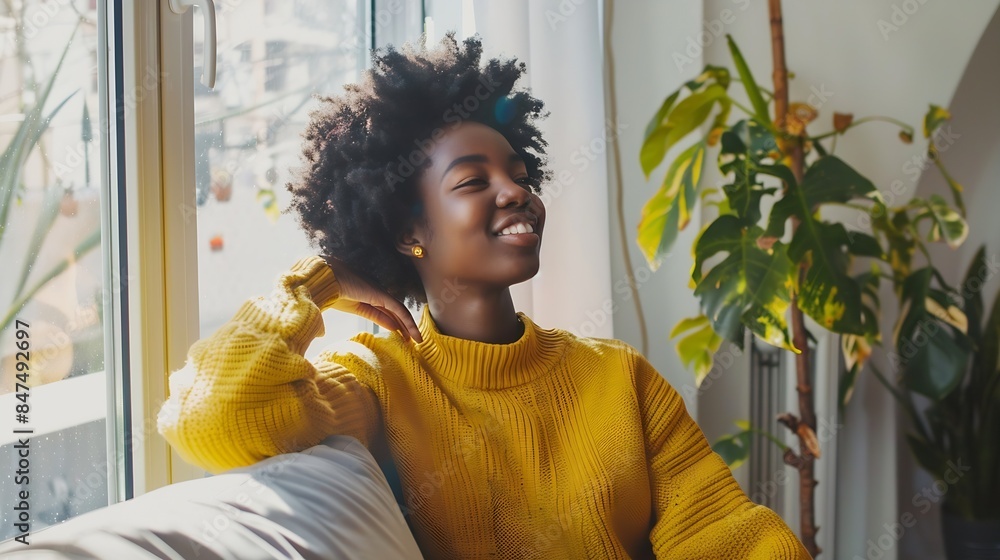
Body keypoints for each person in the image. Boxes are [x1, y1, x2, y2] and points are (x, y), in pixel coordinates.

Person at [157, 31, 811, 560]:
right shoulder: (377, 381)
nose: (515, 191)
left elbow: (729, 537)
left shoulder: (619, 377)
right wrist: (314, 281)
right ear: (409, 230)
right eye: (473, 182)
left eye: (520, 174)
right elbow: (220, 414)